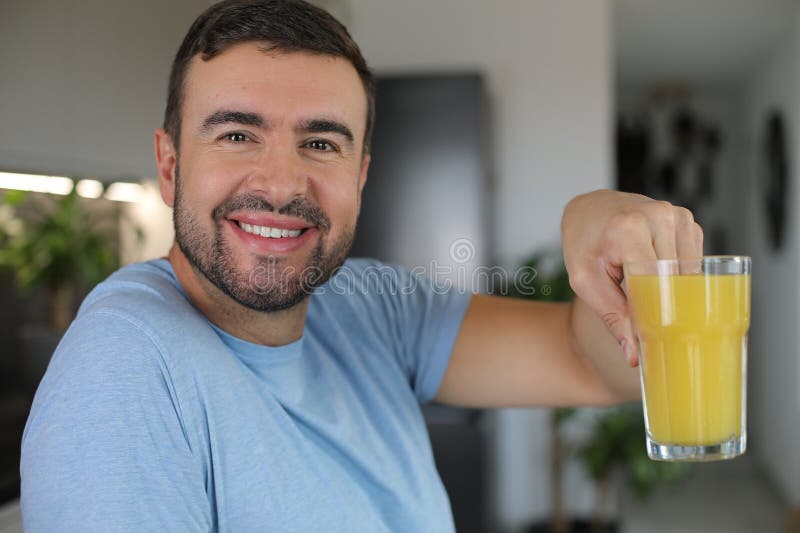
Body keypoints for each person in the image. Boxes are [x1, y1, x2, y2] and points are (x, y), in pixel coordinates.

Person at [19, 1, 703, 531]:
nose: (283, 183)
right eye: (237, 134)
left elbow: (594, 364)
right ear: (170, 166)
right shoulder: (123, 371)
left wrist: (596, 219)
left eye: (321, 142)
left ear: (362, 174)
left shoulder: (370, 303)